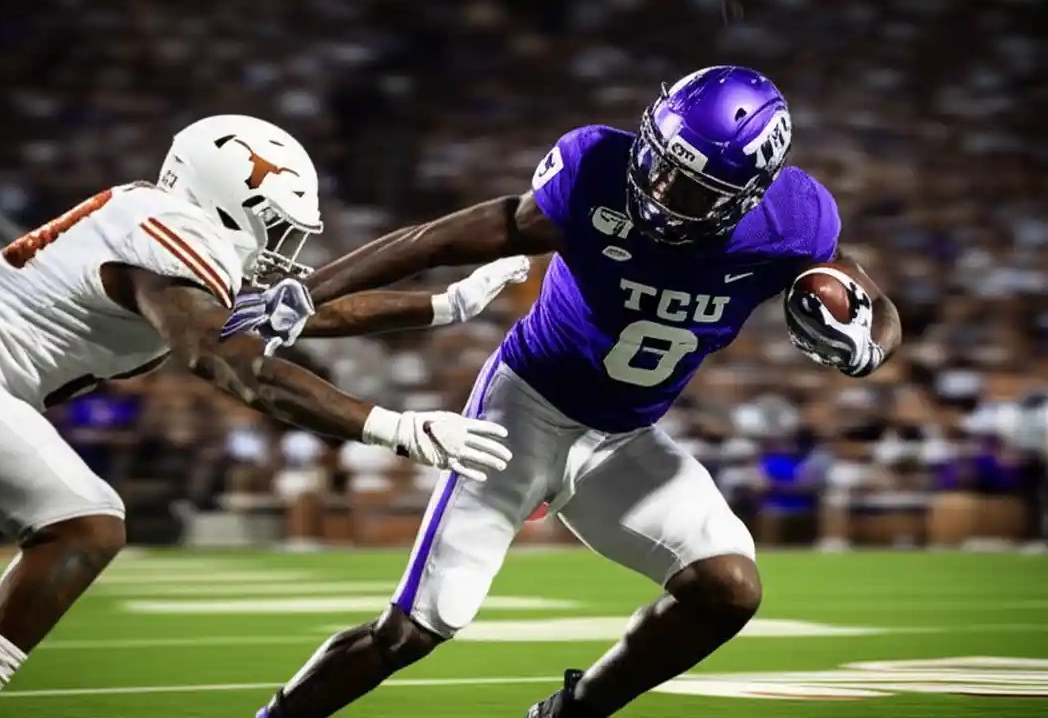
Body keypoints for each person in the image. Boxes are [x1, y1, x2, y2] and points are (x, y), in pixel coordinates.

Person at [0, 114, 518, 718]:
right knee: (86, 522)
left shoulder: (156, 229)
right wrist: (397, 428)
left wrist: (441, 305)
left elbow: (289, 315)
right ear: (228, 203)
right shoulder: (172, 231)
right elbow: (228, 361)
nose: (286, 252)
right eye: (278, 228)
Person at [230, 66, 903, 717]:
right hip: (522, 412)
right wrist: (313, 288)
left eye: (691, 186)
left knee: (728, 588)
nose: (660, 187)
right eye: (660, 160)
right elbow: (438, 240)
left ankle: (569, 713)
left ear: (748, 194)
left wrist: (868, 346)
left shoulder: (793, 222)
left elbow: (873, 305)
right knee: (415, 628)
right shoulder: (595, 173)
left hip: (624, 438)